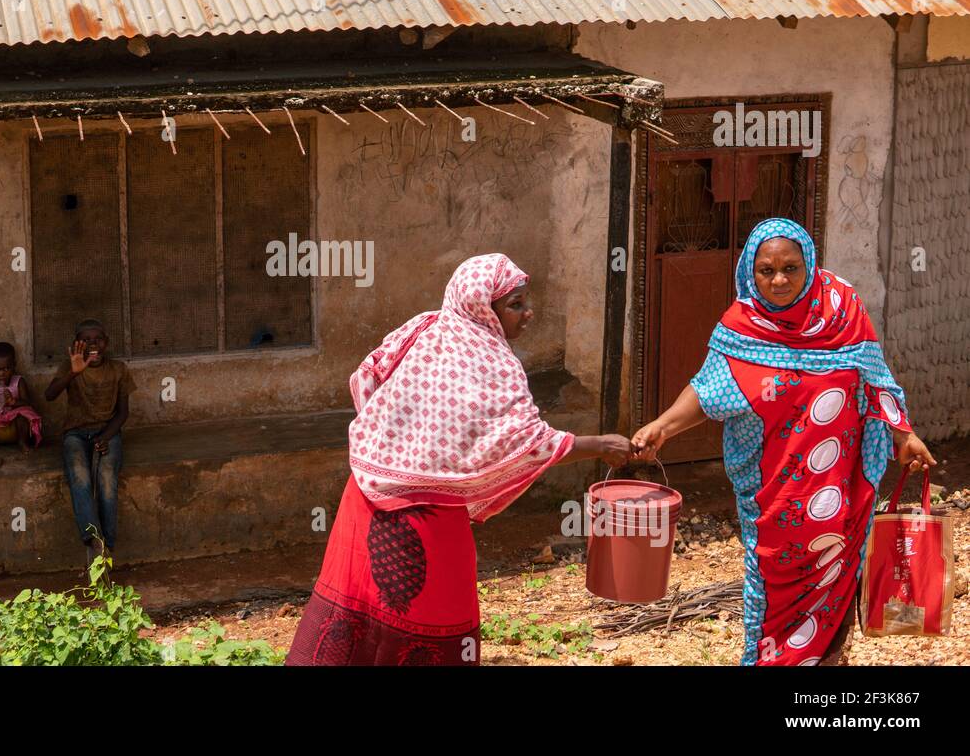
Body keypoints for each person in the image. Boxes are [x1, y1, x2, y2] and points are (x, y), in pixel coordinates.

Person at [286, 254, 638, 666]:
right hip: (426, 518)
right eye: (516, 304)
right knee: (433, 618)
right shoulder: (488, 361)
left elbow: (367, 378)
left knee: (359, 617)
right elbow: (527, 442)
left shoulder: (425, 330)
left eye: (527, 301)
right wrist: (601, 445)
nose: (529, 313)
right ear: (482, 308)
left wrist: (389, 451)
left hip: (367, 498)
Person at [632, 218, 937, 666]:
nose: (778, 280)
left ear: (809, 266)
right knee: (768, 592)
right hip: (774, 500)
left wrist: (902, 434)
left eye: (790, 268)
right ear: (749, 274)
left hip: (841, 494)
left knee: (836, 588)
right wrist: (663, 425)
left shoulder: (844, 311)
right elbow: (710, 389)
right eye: (766, 271)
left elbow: (876, 380)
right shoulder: (742, 325)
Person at [45, 320, 136, 565]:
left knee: (106, 476)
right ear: (77, 344)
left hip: (108, 432)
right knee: (80, 475)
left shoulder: (118, 369)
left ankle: (107, 543)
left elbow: (122, 413)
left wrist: (105, 437)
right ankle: (94, 538)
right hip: (75, 433)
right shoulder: (70, 366)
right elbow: (49, 395)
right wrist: (73, 372)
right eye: (86, 340)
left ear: (106, 342)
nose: (93, 344)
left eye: (98, 339)